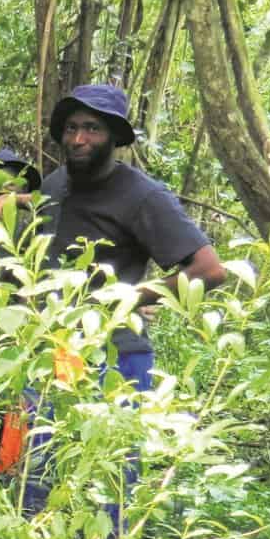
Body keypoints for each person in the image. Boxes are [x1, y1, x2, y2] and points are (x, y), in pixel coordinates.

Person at [38, 84, 225, 391]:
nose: (78, 139)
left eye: (92, 129)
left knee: (109, 439)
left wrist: (129, 298)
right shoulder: (54, 185)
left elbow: (209, 270)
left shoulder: (143, 195)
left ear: (113, 137)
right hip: (51, 349)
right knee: (39, 440)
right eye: (71, 128)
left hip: (116, 355)